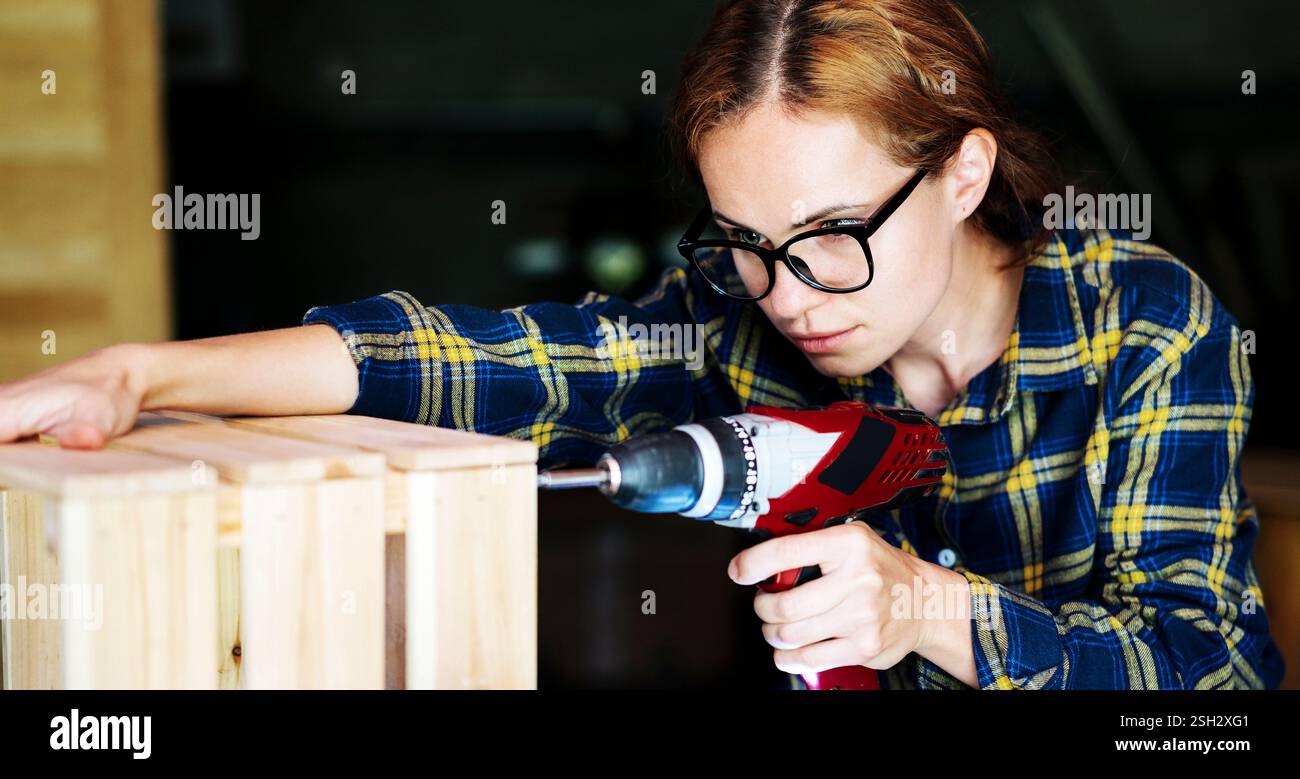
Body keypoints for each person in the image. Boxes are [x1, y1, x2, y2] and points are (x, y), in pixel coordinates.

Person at [0, 0, 1283, 689]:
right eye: (743, 238)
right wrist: (138, 372)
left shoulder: (1146, 326)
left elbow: (1209, 689)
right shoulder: (736, 321)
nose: (786, 295)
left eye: (832, 233)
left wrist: (926, 609)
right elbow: (460, 356)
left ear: (961, 173)